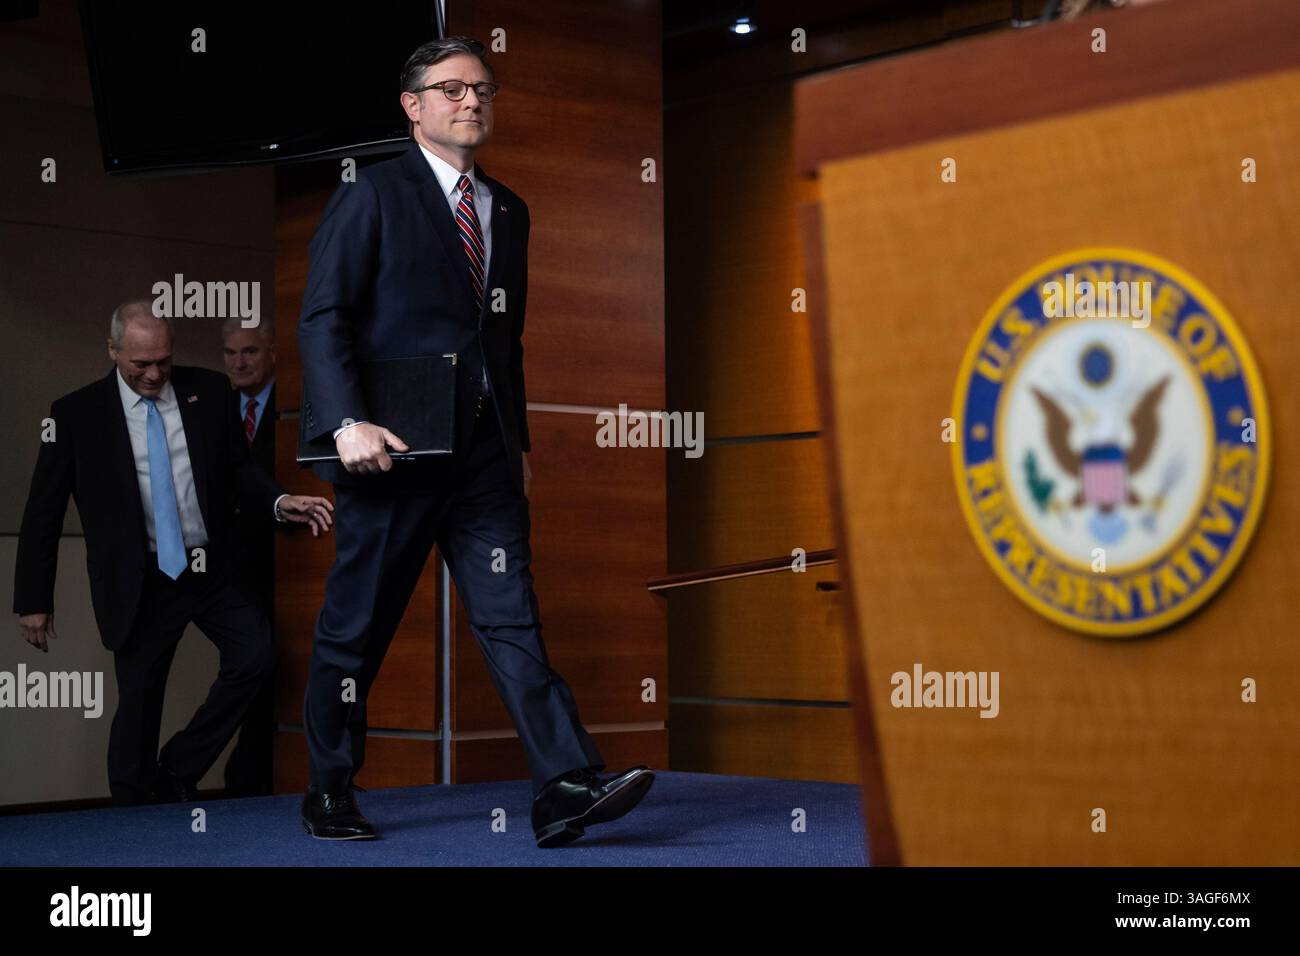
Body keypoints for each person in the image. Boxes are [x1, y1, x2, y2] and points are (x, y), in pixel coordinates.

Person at [296, 35, 654, 847]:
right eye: (452, 88)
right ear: (412, 105)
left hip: (484, 457)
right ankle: (327, 789)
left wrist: (517, 444)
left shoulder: (510, 210)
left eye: (483, 89)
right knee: (358, 627)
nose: (471, 101)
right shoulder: (373, 194)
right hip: (390, 451)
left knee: (512, 618)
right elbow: (323, 317)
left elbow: (501, 345)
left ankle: (563, 785)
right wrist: (345, 422)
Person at [12, 300, 333, 805]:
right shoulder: (76, 415)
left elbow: (238, 468)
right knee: (140, 699)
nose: (155, 373)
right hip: (139, 578)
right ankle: (131, 809)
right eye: (141, 363)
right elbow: (42, 513)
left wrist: (278, 500)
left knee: (256, 656)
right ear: (113, 350)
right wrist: (34, 599)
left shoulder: (207, 390)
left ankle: (178, 767)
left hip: (207, 567)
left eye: (163, 360)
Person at [221, 316, 278, 796]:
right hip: (225, 564)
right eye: (231, 352)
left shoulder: (296, 403)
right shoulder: (214, 407)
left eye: (250, 351)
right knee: (250, 662)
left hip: (288, 560)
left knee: (273, 663)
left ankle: (253, 774)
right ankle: (244, 774)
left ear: (272, 353)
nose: (239, 362)